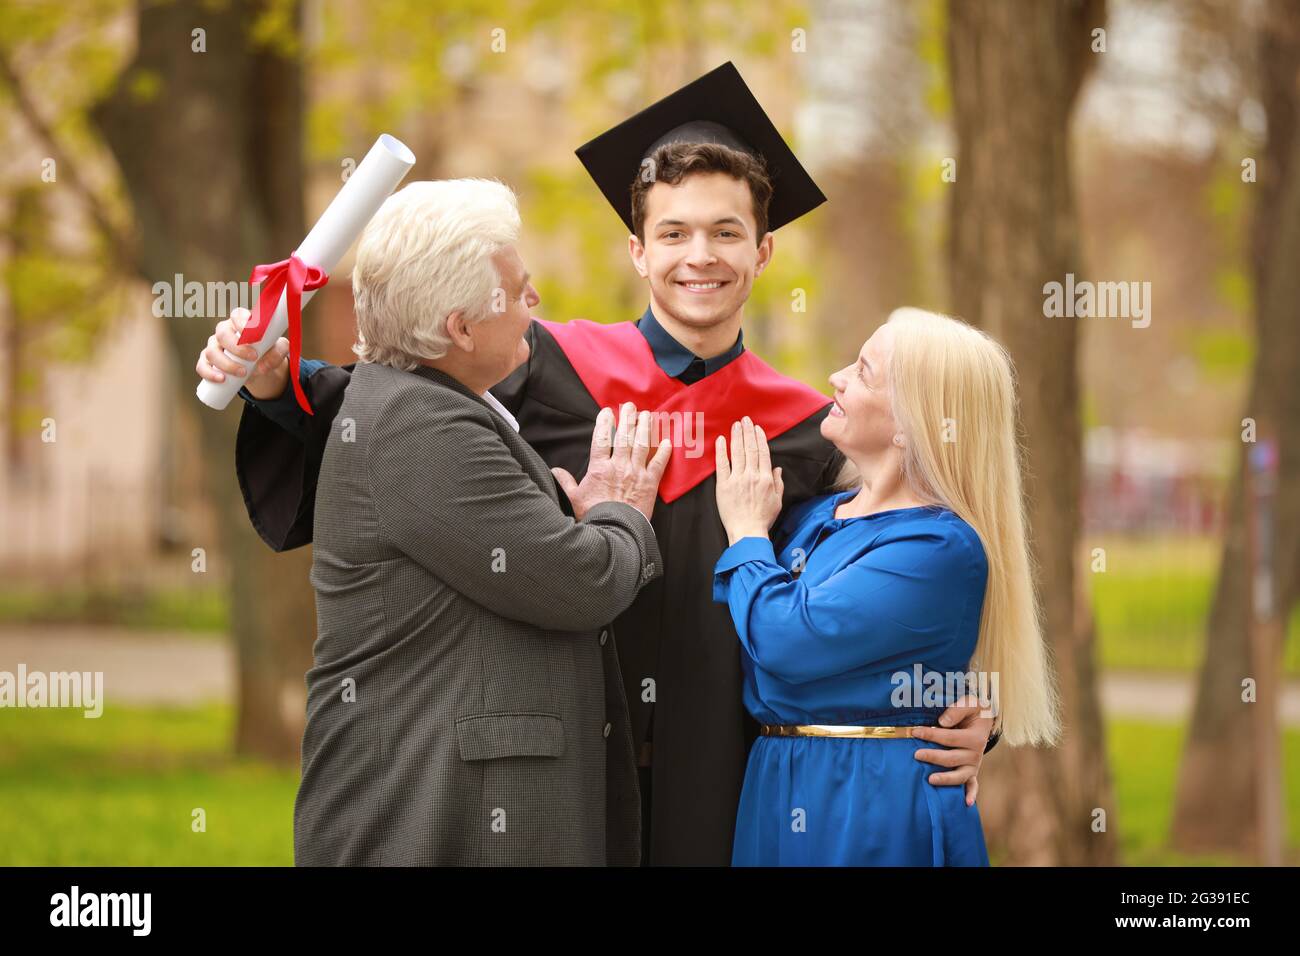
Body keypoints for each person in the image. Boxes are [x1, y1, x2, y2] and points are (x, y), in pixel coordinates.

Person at [197, 63, 997, 866]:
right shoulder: (541, 366)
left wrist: (967, 702)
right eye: (674, 233)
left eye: (727, 233)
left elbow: (894, 569)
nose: (701, 257)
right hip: (563, 759)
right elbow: (397, 411)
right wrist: (277, 381)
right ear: (637, 252)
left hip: (727, 766)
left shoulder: (802, 430)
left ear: (764, 252)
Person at [213, 177, 672, 865]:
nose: (535, 302)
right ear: (459, 327)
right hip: (435, 815)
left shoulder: (419, 401)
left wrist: (279, 377)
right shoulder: (420, 429)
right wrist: (620, 509)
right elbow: (583, 582)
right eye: (517, 290)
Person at [712, 308, 1062, 865]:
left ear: (911, 422)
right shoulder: (815, 514)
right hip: (779, 781)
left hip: (869, 799)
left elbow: (787, 640)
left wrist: (748, 532)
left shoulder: (936, 547)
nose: (838, 377)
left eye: (865, 371)